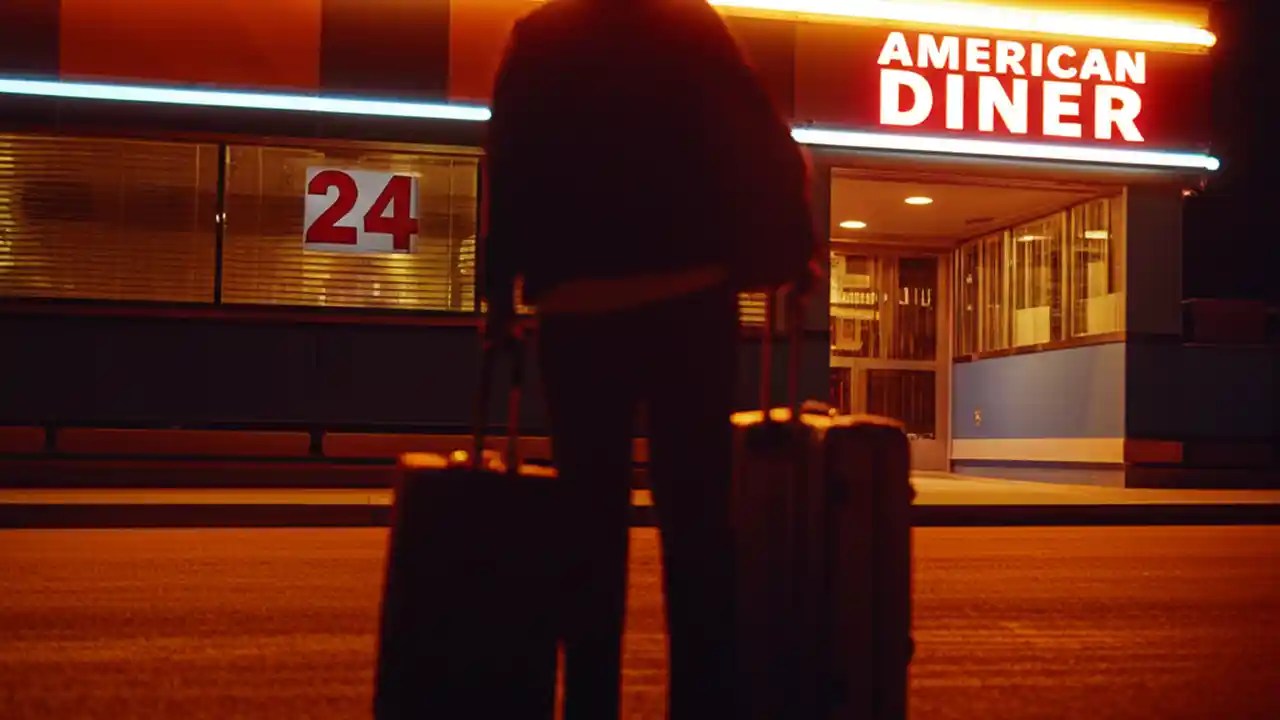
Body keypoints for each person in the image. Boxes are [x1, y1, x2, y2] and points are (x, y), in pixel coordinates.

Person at [480, 0, 817, 716]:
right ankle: (703, 697)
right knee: (697, 518)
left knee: (588, 517)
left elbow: (508, 160)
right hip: (687, 296)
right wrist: (792, 252)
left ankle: (591, 698)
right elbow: (758, 134)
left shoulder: (541, 36)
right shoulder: (691, 25)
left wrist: (500, 294)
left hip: (577, 303)